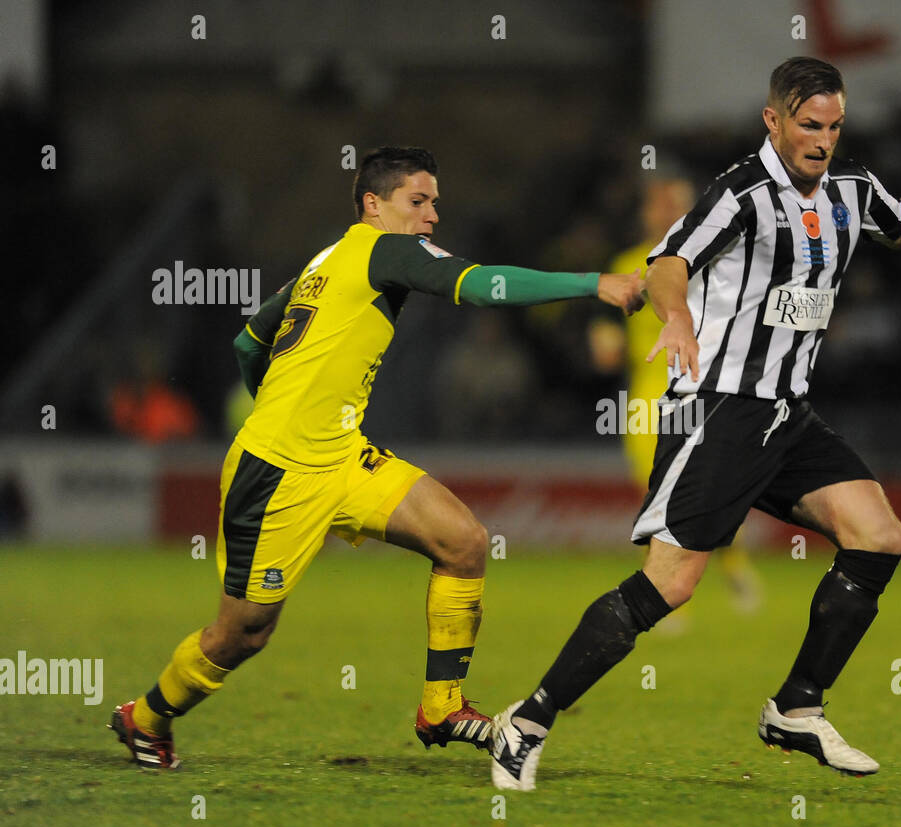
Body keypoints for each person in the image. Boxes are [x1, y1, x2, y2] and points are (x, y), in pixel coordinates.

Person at [489, 57, 901, 790]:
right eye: (809, 125)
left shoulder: (850, 188)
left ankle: (797, 705)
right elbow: (668, 263)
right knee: (671, 585)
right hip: (717, 406)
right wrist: (679, 316)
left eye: (834, 125)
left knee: (879, 536)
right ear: (774, 121)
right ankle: (525, 722)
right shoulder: (741, 193)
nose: (822, 139)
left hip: (786, 410)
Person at [109, 146, 644, 769]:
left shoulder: (325, 260)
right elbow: (483, 286)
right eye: (417, 202)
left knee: (464, 543)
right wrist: (592, 283)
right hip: (278, 472)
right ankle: (145, 717)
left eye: (435, 203)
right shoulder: (385, 250)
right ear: (373, 204)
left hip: (341, 455)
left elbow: (248, 339)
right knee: (243, 633)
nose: (431, 216)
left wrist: (284, 399)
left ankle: (442, 706)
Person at [589, 174, 763, 618]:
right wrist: (604, 340)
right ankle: (661, 595)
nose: (663, 213)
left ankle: (734, 566)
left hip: (703, 389)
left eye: (673, 206)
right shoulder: (629, 262)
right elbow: (608, 330)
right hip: (648, 399)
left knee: (710, 488)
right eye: (656, 205)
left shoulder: (714, 261)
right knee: (656, 497)